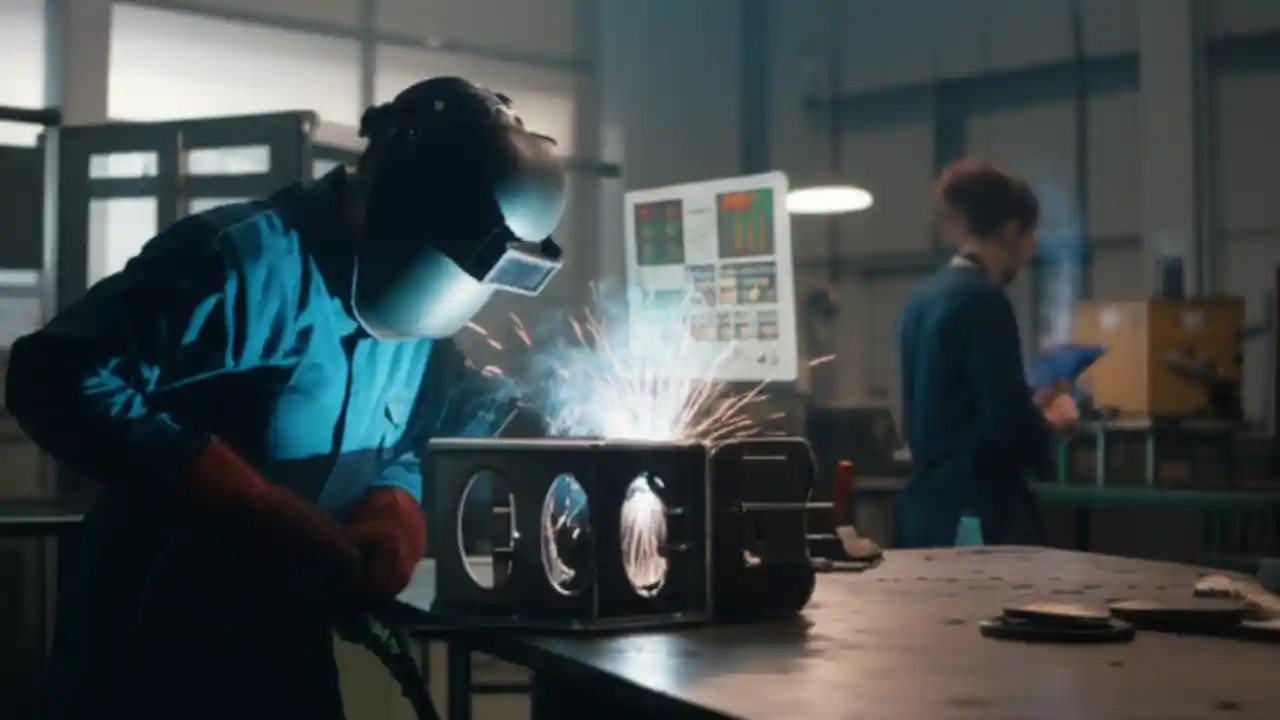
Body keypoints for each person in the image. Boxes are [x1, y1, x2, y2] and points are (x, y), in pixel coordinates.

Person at [5, 77, 567, 720]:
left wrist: (396, 503)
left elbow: (421, 427)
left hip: (284, 642)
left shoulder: (424, 322)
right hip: (147, 643)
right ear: (401, 196)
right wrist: (244, 499)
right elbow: (53, 372)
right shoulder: (243, 262)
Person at [895, 158, 1076, 549]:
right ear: (1012, 230)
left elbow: (951, 404)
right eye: (1032, 236)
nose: (1031, 251)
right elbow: (1004, 427)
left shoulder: (922, 298)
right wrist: (1049, 425)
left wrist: (1029, 403)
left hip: (927, 514)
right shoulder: (984, 302)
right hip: (976, 518)